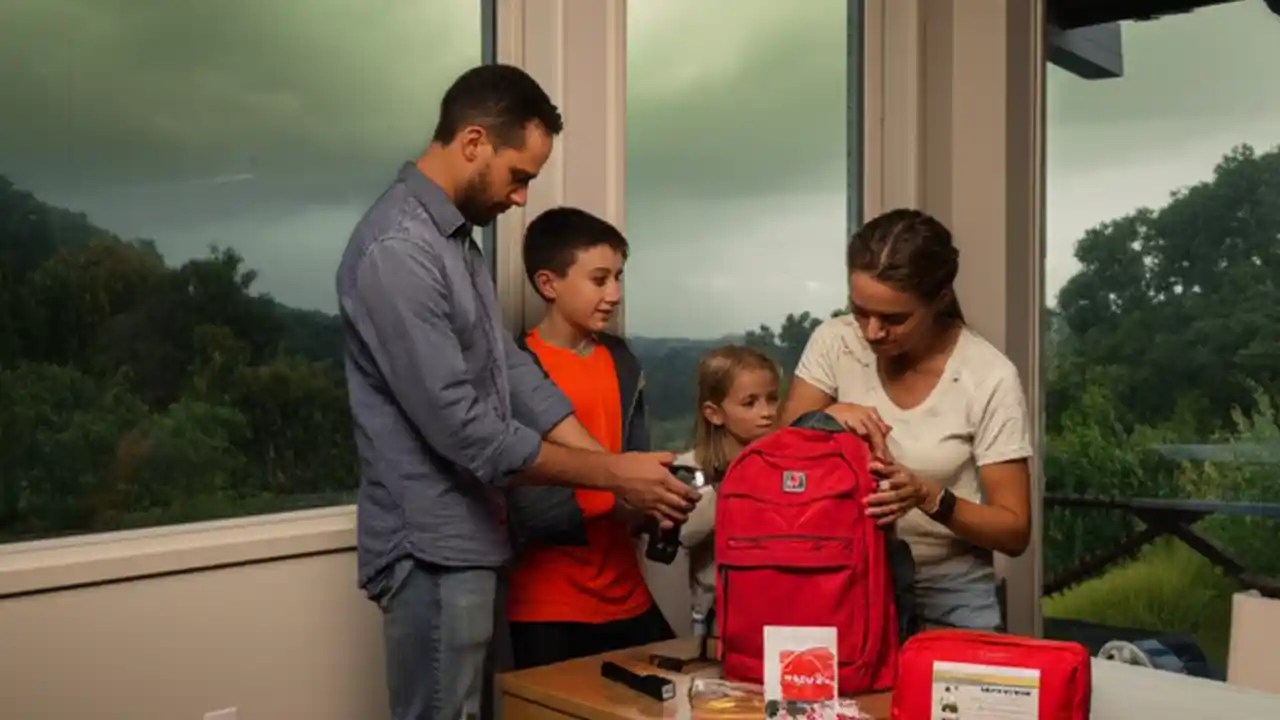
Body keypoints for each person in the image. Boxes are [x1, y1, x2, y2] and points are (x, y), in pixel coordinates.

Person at [335, 64, 699, 720]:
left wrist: (612, 473)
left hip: (471, 540)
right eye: (519, 175)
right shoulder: (400, 250)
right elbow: (463, 427)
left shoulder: (454, 243)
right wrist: (610, 471)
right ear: (473, 142)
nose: (522, 197)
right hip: (430, 545)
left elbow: (514, 375)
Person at [781, 208, 1032, 632]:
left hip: (950, 594)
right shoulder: (834, 343)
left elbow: (1014, 530)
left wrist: (929, 496)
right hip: (841, 578)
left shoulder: (988, 377)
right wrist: (824, 419)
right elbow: (777, 460)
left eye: (894, 319)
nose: (872, 332)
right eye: (859, 311)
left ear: (940, 299)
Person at [504, 206, 675, 668]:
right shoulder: (518, 370)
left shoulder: (622, 360)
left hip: (627, 591)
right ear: (548, 284)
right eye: (599, 280)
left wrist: (660, 500)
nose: (615, 294)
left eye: (619, 278)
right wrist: (622, 494)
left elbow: (635, 458)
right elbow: (522, 491)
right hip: (549, 602)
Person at [675, 346, 781, 634]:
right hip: (714, 619)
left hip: (777, 606)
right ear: (714, 413)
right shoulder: (689, 470)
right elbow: (683, 534)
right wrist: (731, 487)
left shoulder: (787, 468)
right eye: (750, 403)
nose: (767, 413)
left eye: (772, 400)